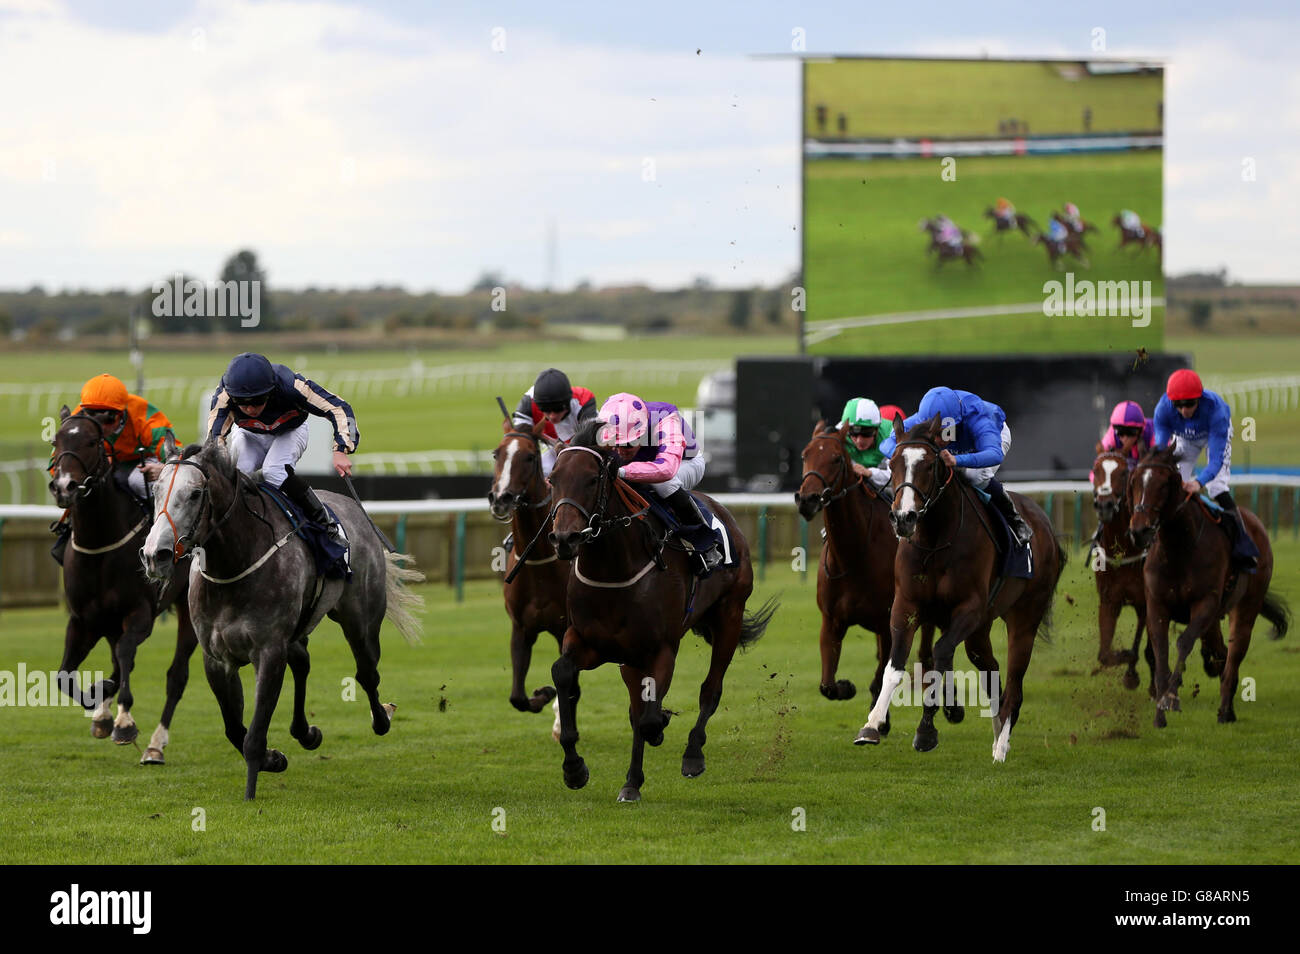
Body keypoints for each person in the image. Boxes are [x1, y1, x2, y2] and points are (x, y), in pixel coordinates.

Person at [207, 352, 357, 550]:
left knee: (274, 471)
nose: (250, 409)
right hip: (249, 434)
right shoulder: (224, 395)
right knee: (236, 476)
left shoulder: (291, 385)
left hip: (290, 431)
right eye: (242, 402)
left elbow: (339, 408)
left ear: (271, 391)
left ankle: (325, 524)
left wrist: (341, 449)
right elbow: (214, 440)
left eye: (258, 400)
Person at [878, 386, 1032, 546]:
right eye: (934, 433)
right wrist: (900, 454)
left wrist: (958, 460)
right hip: (956, 441)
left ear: (956, 423)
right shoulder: (921, 418)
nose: (939, 440)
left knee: (975, 476)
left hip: (992, 438)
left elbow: (994, 454)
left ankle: (1015, 521)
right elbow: (886, 443)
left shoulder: (979, 418)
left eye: (945, 432)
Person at [48, 373, 178, 564]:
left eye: (108, 419)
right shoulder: (76, 419)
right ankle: (67, 535)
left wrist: (163, 470)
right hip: (103, 463)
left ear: (122, 413)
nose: (99, 426)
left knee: (138, 481)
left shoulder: (146, 416)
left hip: (139, 462)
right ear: (84, 411)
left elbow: (176, 458)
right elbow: (56, 464)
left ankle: (169, 537)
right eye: (91, 416)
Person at [596, 391, 722, 577]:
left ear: (641, 432)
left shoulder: (665, 419)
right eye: (616, 443)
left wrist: (621, 471)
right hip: (643, 465)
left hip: (685, 463)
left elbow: (666, 469)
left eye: (628, 444)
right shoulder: (607, 420)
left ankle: (705, 543)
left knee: (663, 484)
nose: (621, 450)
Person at [1153, 369, 1258, 570]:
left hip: (1213, 435)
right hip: (1184, 438)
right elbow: (1160, 448)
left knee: (1216, 487)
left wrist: (1199, 482)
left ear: (1199, 399)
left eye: (1190, 404)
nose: (1184, 410)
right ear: (1171, 402)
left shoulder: (1216, 410)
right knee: (1170, 484)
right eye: (1179, 405)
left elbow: (1216, 460)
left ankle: (1243, 546)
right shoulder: (1163, 409)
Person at [511, 368, 598, 478]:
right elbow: (519, 442)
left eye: (557, 409)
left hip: (583, 448)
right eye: (546, 410)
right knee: (537, 471)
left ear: (568, 402)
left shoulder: (584, 401)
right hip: (551, 447)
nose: (552, 416)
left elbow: (588, 447)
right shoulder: (528, 403)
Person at [838, 397, 893, 492]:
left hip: (885, 488)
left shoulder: (891, 435)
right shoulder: (838, 434)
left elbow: (896, 477)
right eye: (853, 433)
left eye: (866, 433)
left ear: (876, 430)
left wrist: (869, 473)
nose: (859, 440)